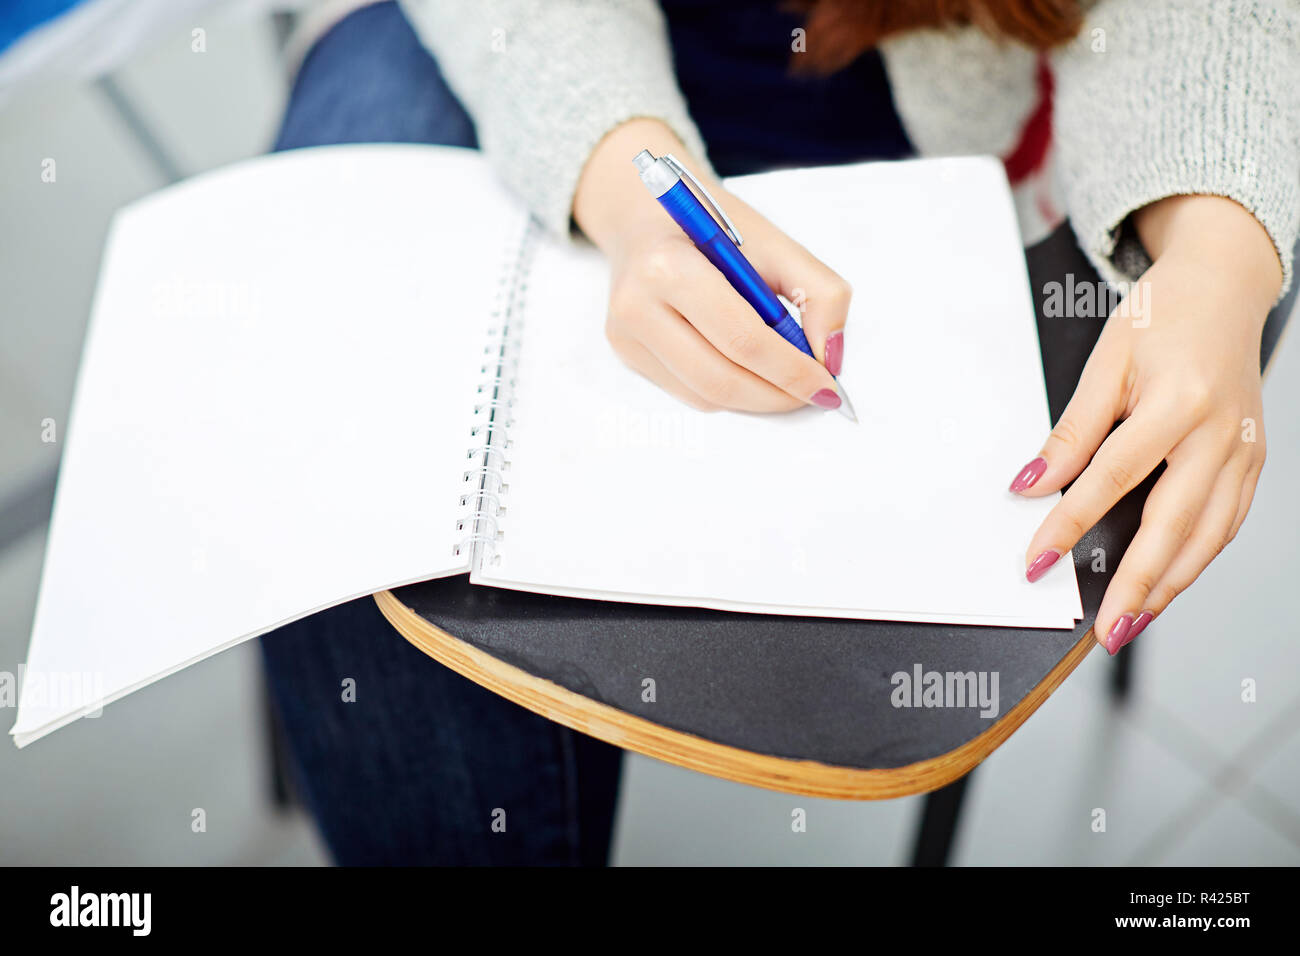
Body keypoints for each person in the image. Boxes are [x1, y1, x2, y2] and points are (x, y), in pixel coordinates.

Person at [261, 0, 1299, 865]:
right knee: (356, 497)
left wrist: (1216, 246)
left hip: (916, 94)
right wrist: (615, 173)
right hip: (506, 34)